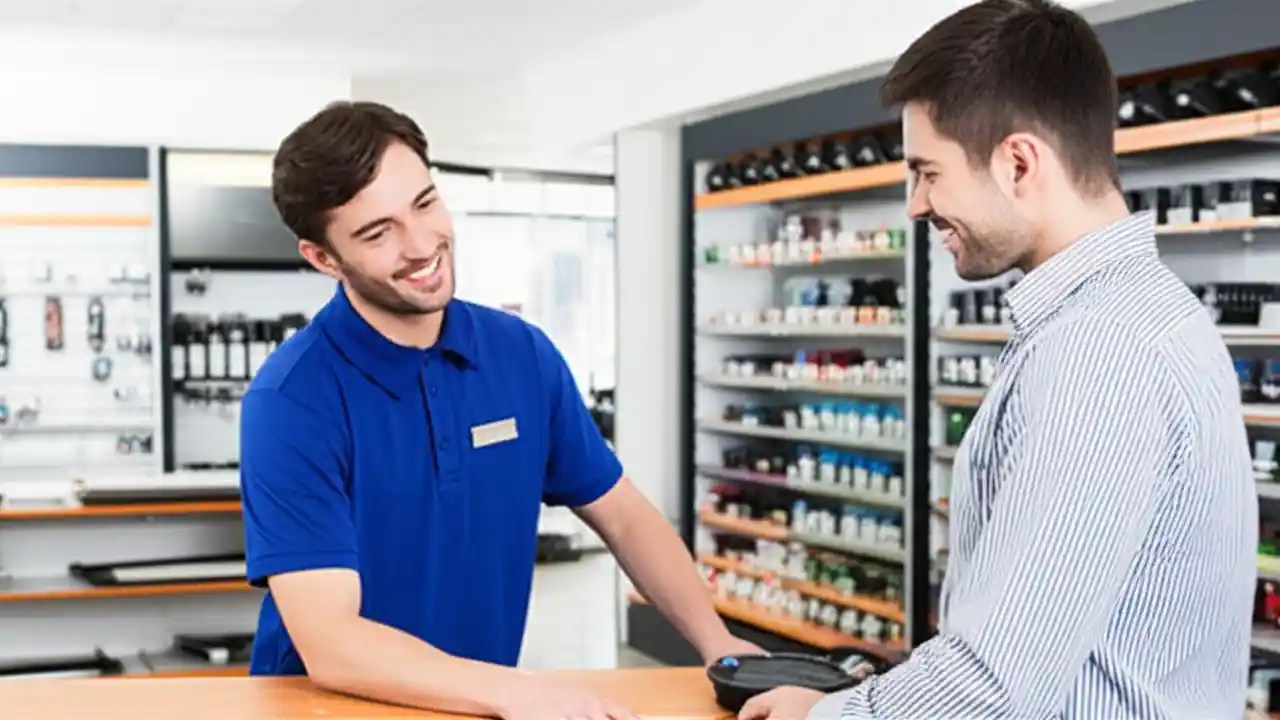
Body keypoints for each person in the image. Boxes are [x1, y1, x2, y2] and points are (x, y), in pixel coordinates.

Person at [741, 1, 1257, 719]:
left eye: (927, 172)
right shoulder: (1145, 314)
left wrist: (824, 717)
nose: (917, 205)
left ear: (1018, 162)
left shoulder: (1100, 350)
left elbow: (993, 684)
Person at [238, 100, 759, 720]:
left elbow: (623, 516)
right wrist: (522, 690)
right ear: (323, 258)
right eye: (378, 233)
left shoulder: (521, 355)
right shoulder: (291, 401)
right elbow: (333, 644)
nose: (421, 244)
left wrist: (717, 643)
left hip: (477, 705)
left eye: (425, 204)